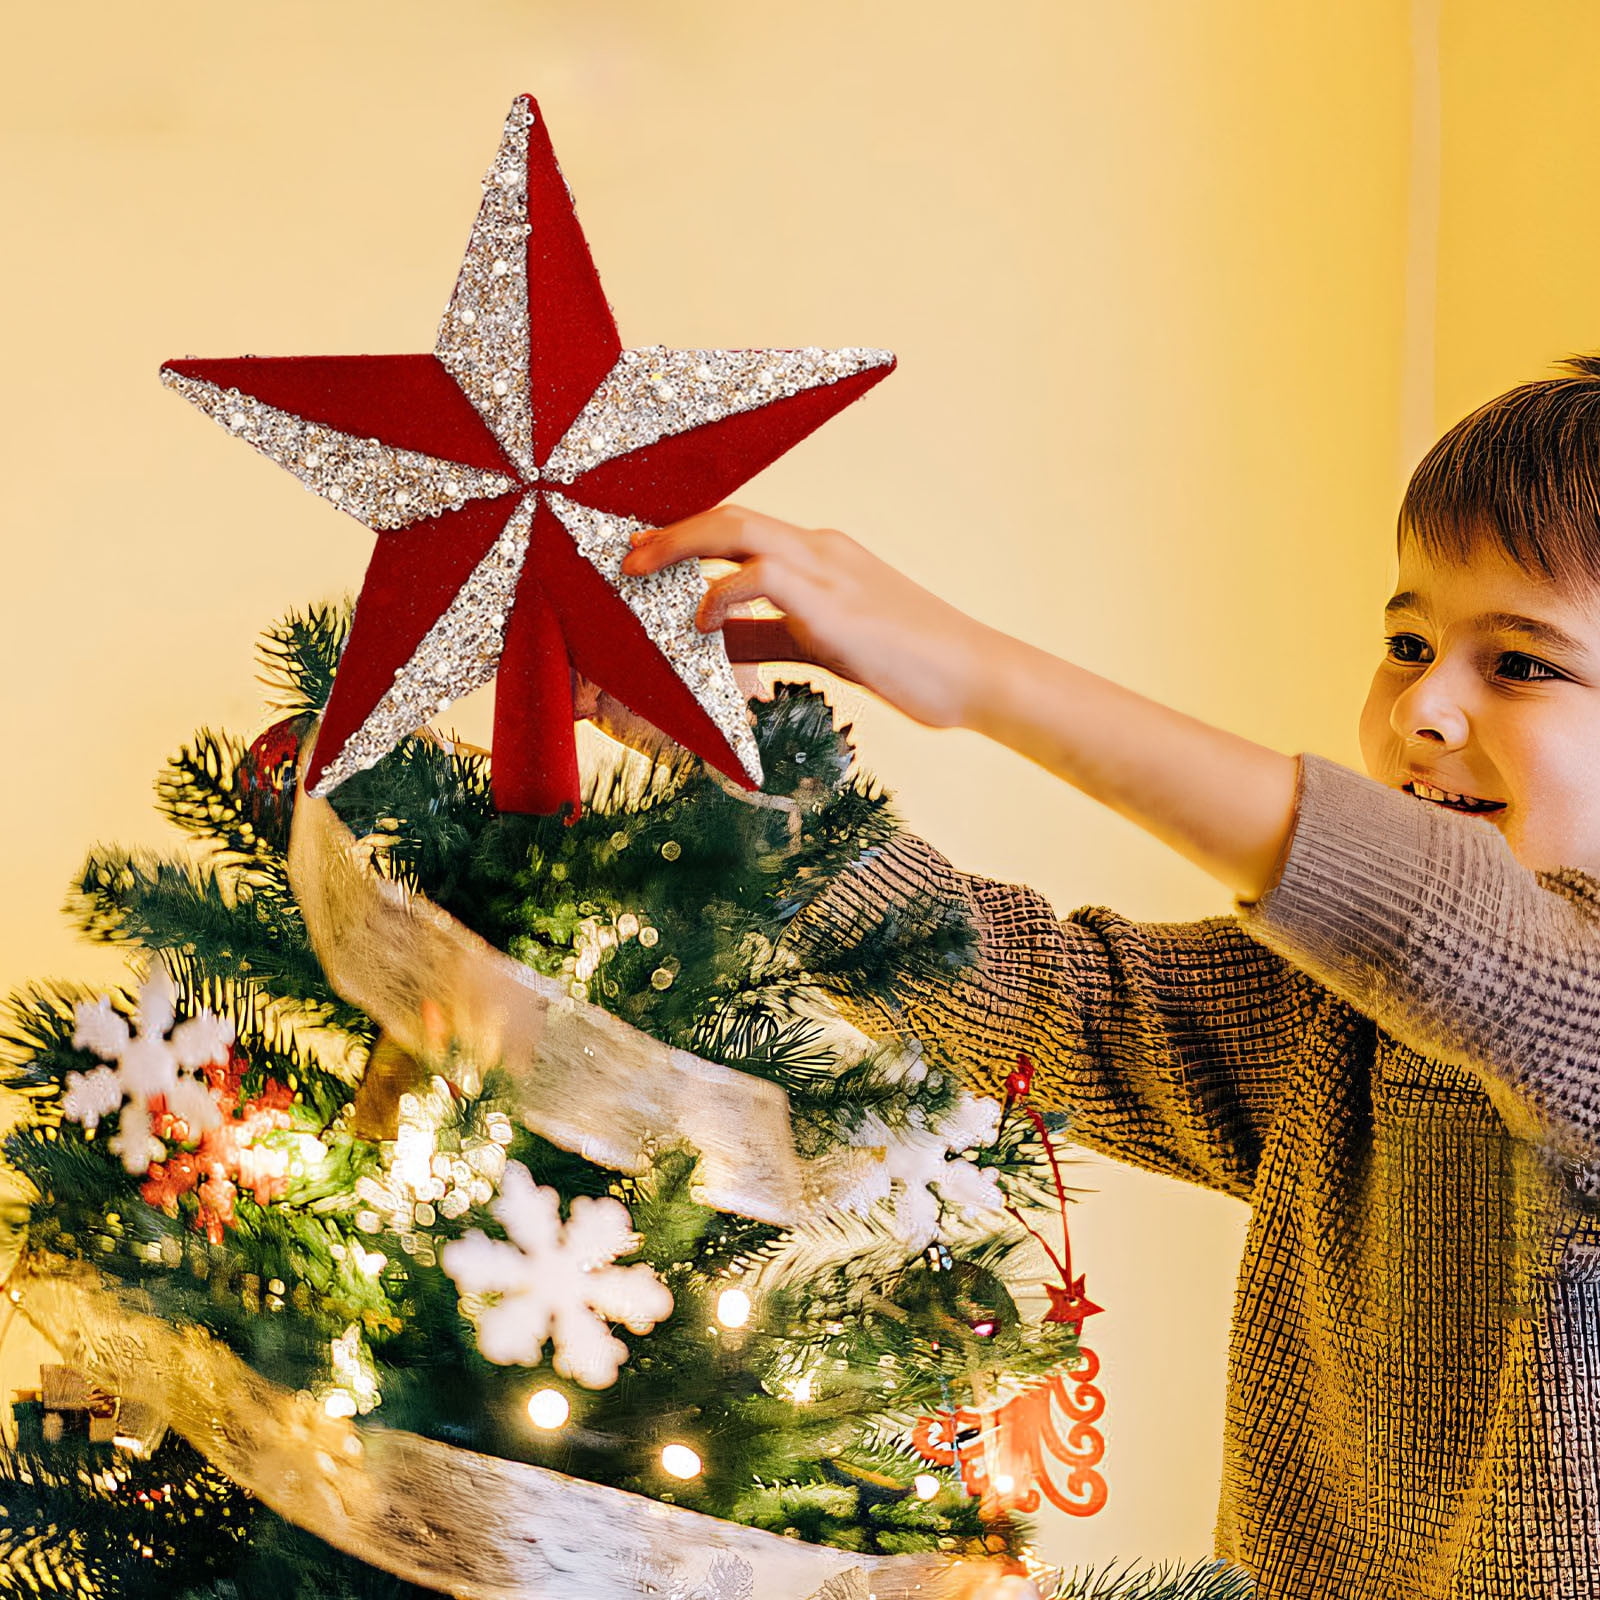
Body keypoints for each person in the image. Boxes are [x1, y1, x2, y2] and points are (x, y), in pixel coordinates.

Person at [603, 355, 1600, 1597]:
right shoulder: (1334, 1020)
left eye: (1522, 663)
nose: (1422, 709)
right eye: (1407, 643)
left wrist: (971, 668)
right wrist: (741, 775)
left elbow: (1464, 935)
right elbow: (1041, 992)